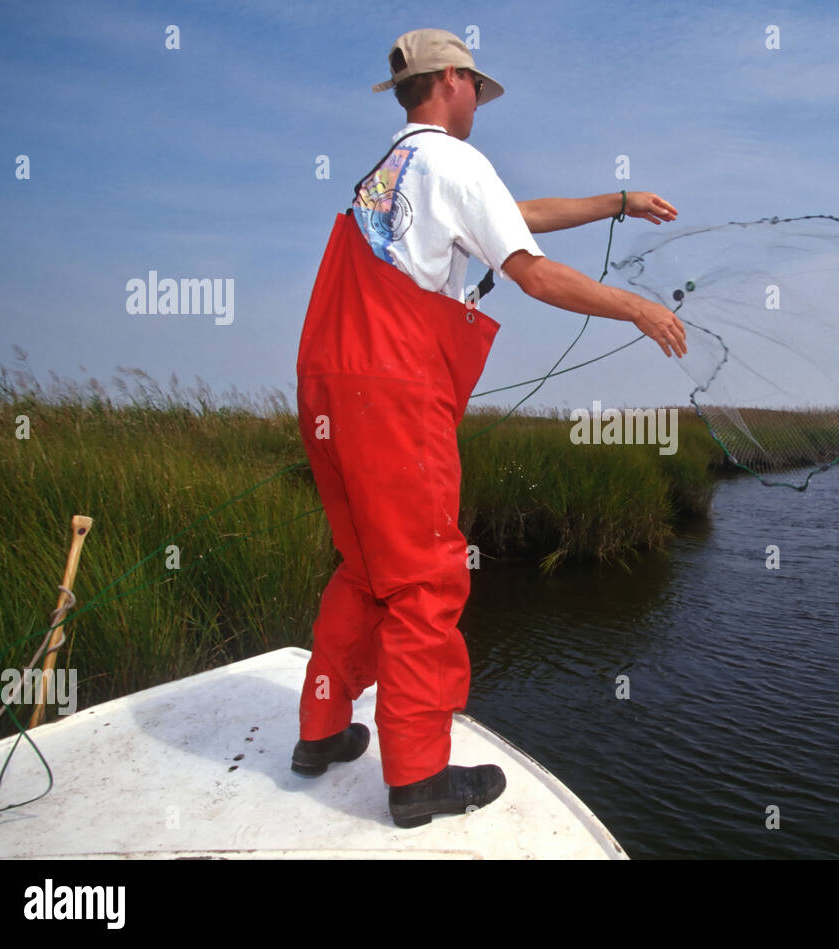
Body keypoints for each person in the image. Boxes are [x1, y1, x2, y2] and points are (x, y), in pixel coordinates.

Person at [289, 28, 686, 829]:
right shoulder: (455, 161)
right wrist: (638, 308)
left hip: (327, 385)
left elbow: (514, 216)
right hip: (393, 393)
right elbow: (529, 269)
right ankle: (417, 777)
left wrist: (615, 202)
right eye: (478, 86)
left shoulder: (390, 170)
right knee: (427, 578)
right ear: (454, 80)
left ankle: (321, 733)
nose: (482, 101)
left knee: (366, 566)